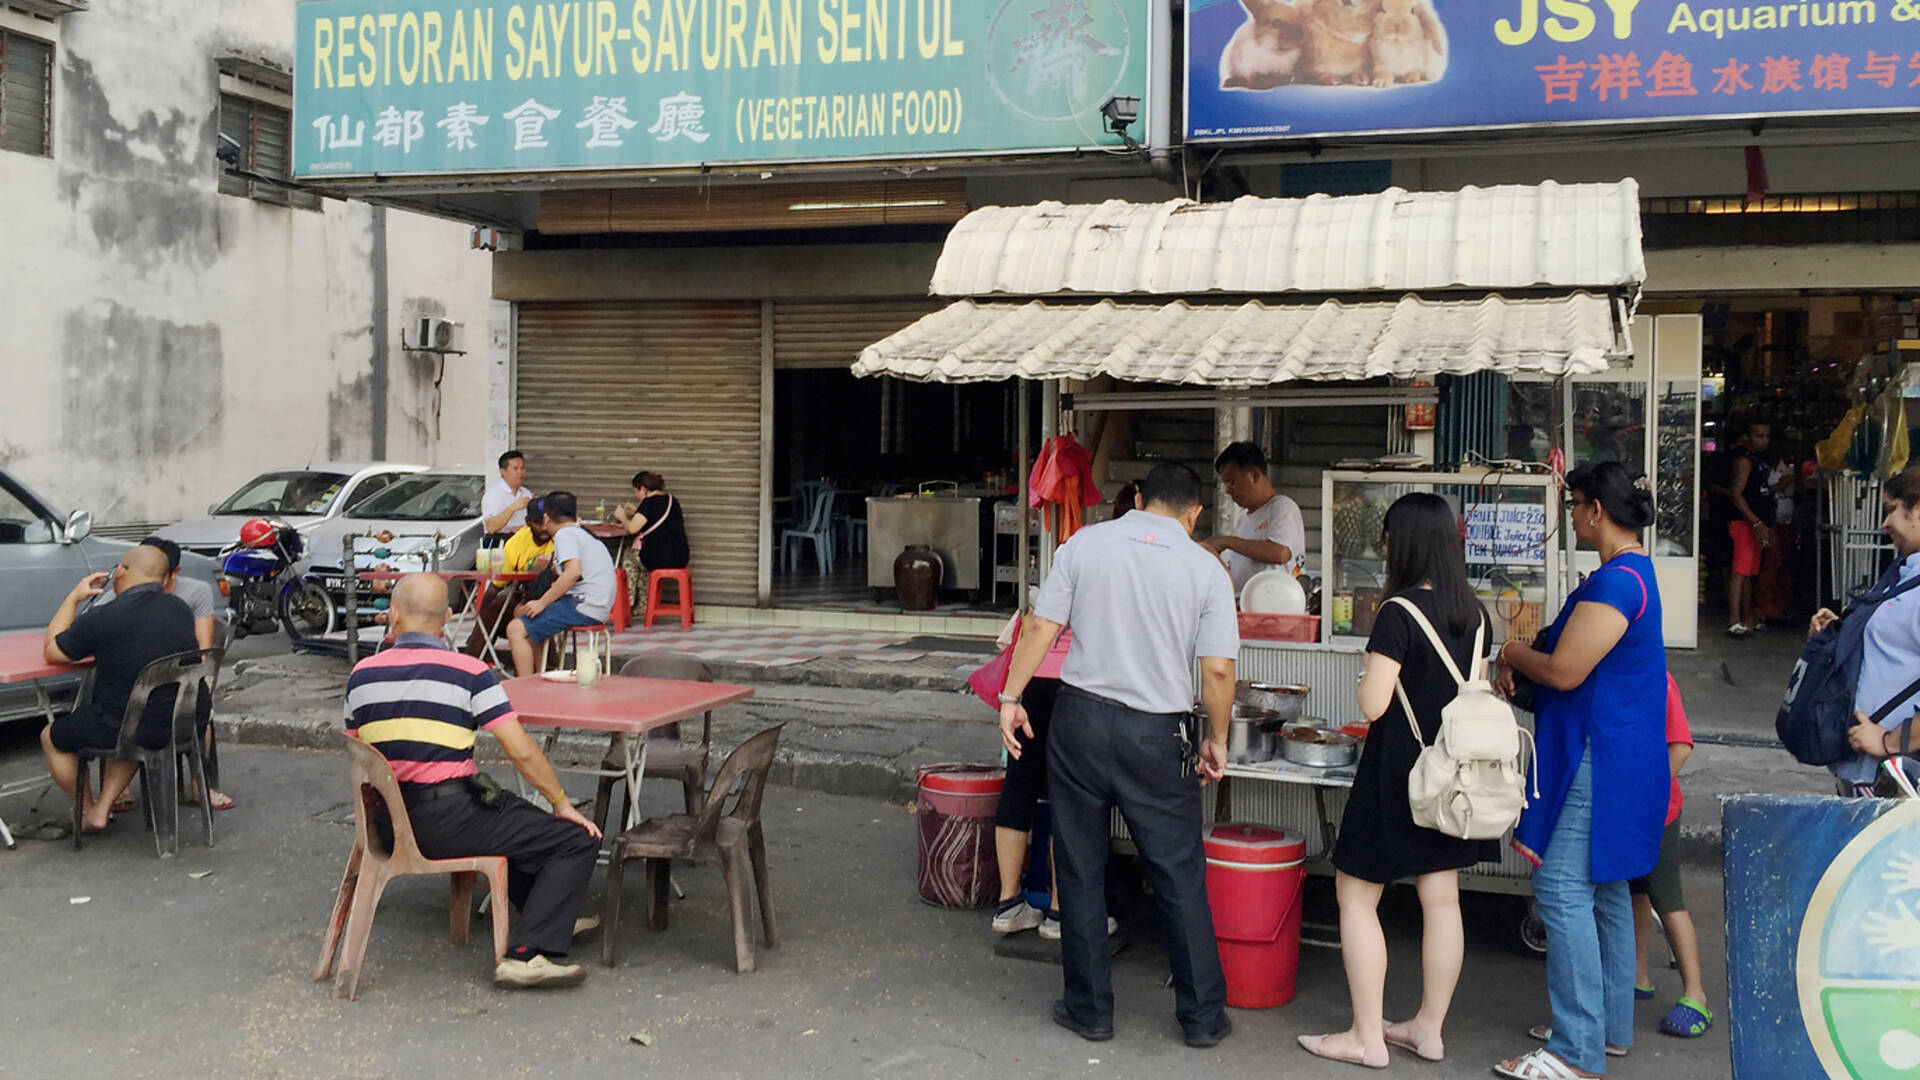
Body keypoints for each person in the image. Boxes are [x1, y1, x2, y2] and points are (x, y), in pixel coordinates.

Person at [997, 462, 1237, 1049]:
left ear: (1138, 497)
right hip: (1156, 735)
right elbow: (1218, 670)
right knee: (1178, 872)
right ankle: (1202, 1017)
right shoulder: (1204, 568)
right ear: (1194, 513)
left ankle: (1089, 1010)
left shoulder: (1084, 544)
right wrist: (1218, 737)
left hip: (1079, 723)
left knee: (1079, 866)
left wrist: (1011, 698)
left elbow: (1040, 628)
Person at [1298, 493, 1497, 1068]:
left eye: (1387, 539)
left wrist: (1366, 675)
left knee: (1357, 896)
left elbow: (1374, 703)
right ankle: (1428, 1030)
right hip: (1453, 775)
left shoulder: (1399, 612)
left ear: (1402, 544)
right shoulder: (1476, 615)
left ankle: (1367, 1036)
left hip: (1398, 773)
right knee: (1442, 899)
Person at [1493, 461, 1668, 1080]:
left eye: (1575, 505)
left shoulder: (1618, 582)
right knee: (1606, 889)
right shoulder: (1633, 573)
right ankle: (1607, 1028)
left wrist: (1510, 651)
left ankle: (1575, 1050)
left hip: (1600, 756)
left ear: (1597, 510)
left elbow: (1564, 671)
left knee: (1562, 889)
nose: (1570, 516)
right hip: (1623, 755)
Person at [347, 574, 602, 988]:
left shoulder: (361, 675)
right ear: (448, 617)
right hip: (447, 822)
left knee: (512, 815)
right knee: (574, 838)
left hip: (384, 826)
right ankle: (526, 955)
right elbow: (520, 751)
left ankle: (549, 915)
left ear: (392, 615)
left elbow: (362, 749)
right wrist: (561, 802)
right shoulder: (470, 672)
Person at [39, 546, 199, 833]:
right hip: (186, 720)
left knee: (52, 736)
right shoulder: (180, 609)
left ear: (121, 571)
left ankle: (85, 810)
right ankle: (101, 809)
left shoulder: (105, 616)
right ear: (165, 578)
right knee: (130, 718)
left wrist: (74, 597)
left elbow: (53, 651)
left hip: (133, 726)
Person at [99, 537, 234, 811]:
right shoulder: (123, 590)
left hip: (178, 680)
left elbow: (203, 649)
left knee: (198, 707)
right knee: (110, 702)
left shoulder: (194, 592)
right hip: (130, 681)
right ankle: (116, 790)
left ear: (173, 573)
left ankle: (199, 784)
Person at [1810, 466, 1920, 797]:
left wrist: (1889, 741)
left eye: (1891, 509)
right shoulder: (1905, 571)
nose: (1885, 523)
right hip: (1869, 772)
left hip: (1898, 776)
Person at [1630, 676, 1713, 1040]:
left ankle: (1696, 995)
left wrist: (1648, 796)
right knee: (1635, 889)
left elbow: (1680, 746)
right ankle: (1637, 974)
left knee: (1667, 898)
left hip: (1655, 811)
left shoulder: (1659, 680)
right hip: (1630, 806)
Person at [506, 492, 616, 677]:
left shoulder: (565, 535)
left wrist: (542, 602)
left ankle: (524, 685)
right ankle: (542, 672)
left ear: (546, 518)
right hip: (596, 604)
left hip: (583, 605)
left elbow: (573, 572)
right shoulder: (582, 533)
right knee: (524, 613)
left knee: (515, 629)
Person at [1202, 441, 1306, 593]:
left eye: (1231, 482)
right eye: (1225, 483)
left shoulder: (1282, 507)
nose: (1228, 490)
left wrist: (1227, 541)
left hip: (1275, 604)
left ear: (1255, 475)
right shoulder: (1244, 517)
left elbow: (1280, 553)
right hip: (1246, 603)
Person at [463, 500, 553, 660]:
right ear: (528, 522)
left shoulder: (560, 536)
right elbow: (498, 583)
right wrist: (481, 620)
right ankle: (474, 655)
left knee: (501, 607)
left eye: (548, 522)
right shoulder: (516, 542)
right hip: (527, 594)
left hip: (555, 594)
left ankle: (473, 656)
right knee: (494, 603)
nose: (545, 528)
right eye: (539, 522)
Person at [1724, 420, 1775, 638]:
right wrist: (1755, 522)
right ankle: (1734, 620)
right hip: (1745, 524)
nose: (1764, 440)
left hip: (1755, 524)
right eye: (1759, 436)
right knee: (1740, 572)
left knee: (1749, 573)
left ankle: (1747, 618)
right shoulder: (1745, 462)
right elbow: (1736, 494)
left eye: (1767, 436)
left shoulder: (1758, 461)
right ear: (1747, 437)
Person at [611, 471, 689, 571]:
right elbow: (655, 517)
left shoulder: (648, 503)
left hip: (659, 559)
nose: (636, 495)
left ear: (643, 490)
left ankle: (637, 582)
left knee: (629, 555)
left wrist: (622, 516)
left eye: (636, 491)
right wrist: (636, 513)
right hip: (681, 558)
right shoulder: (672, 500)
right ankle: (648, 581)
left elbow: (632, 529)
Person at [481, 449, 536, 537]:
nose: (520, 472)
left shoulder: (526, 493)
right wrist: (513, 507)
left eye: (522, 468)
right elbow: (491, 528)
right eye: (515, 468)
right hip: (502, 541)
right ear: (503, 472)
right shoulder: (492, 495)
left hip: (523, 539)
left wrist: (538, 505)